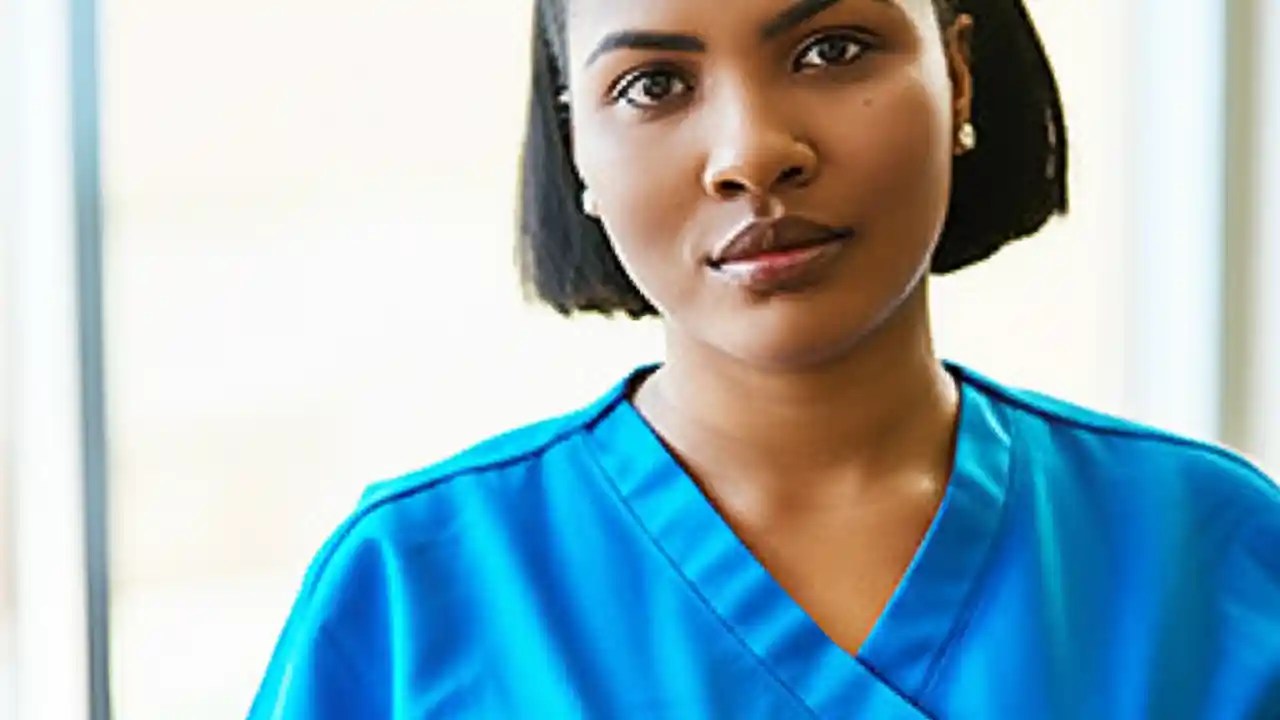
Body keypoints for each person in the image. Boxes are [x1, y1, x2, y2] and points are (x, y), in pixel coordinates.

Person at [249, 0, 1280, 717]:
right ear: (576, 152)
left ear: (956, 77)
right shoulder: (408, 589)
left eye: (831, 49)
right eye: (653, 83)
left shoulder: (1214, 548)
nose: (750, 151)